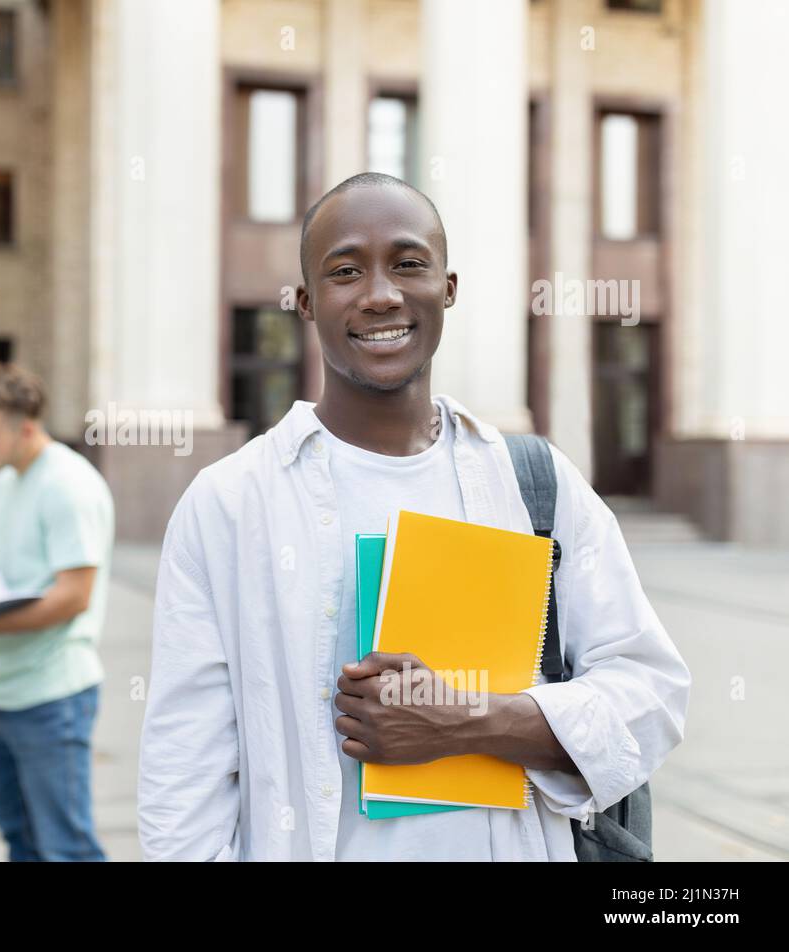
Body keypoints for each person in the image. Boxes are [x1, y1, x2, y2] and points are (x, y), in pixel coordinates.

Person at [137, 172, 691, 861]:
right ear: (306, 303)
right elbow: (181, 783)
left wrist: (468, 722)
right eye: (345, 271)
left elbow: (652, 696)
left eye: (408, 263)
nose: (380, 294)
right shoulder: (229, 505)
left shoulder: (534, 484)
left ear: (447, 287)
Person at [0, 362, 114, 862]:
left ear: (28, 429)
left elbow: (72, 597)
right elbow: (19, 579)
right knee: (20, 838)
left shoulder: (68, 486)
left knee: (65, 847)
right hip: (3, 690)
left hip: (54, 695)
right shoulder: (1, 485)